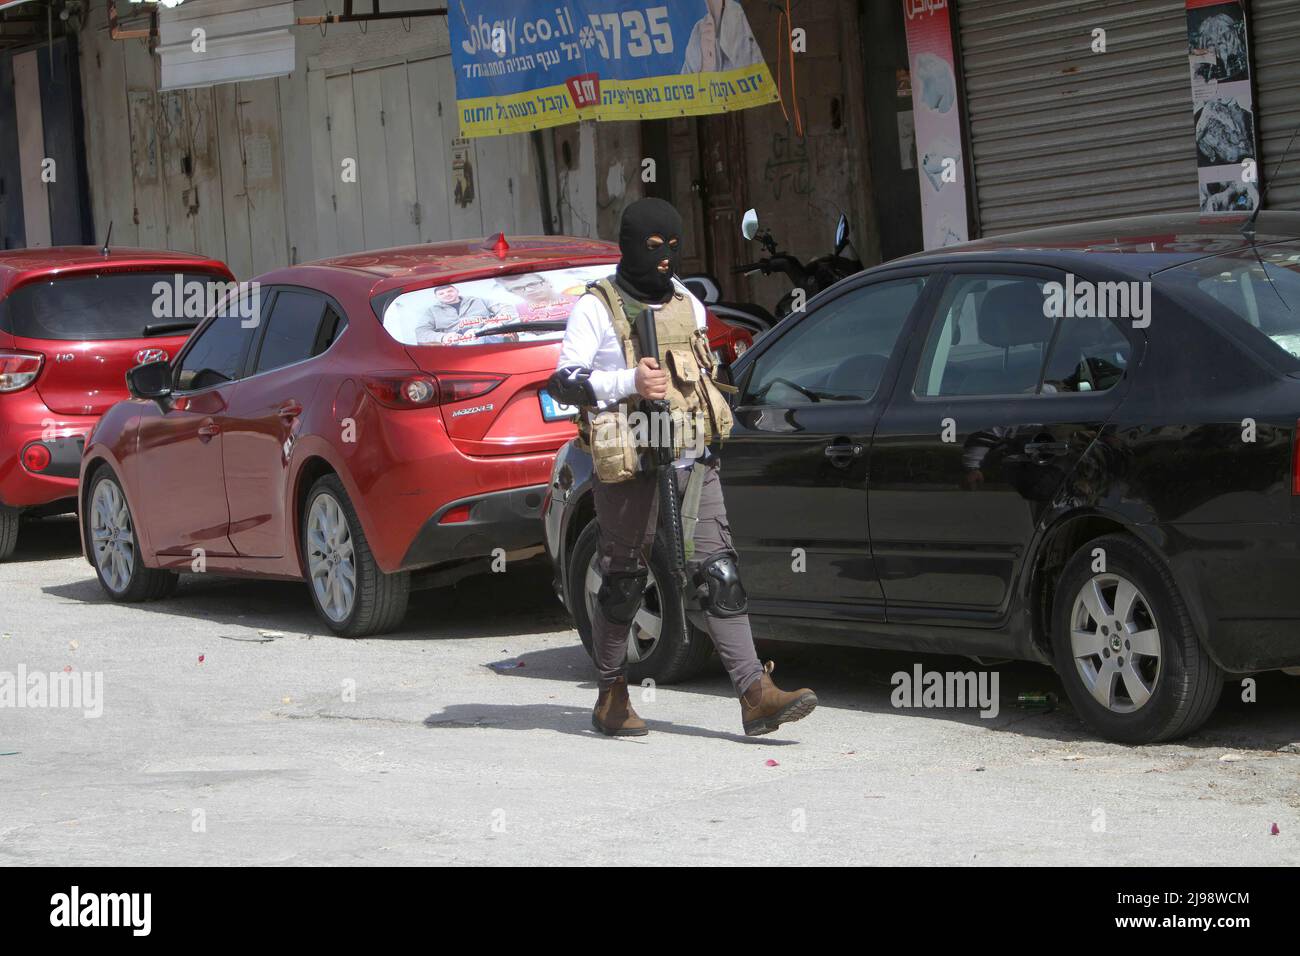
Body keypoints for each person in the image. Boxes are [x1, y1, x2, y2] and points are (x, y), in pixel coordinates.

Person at [549, 197, 818, 738]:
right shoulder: (596, 308)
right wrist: (627, 383)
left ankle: (754, 693)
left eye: (674, 247)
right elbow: (561, 384)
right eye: (653, 248)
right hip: (629, 458)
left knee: (718, 572)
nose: (666, 258)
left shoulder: (686, 303)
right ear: (629, 247)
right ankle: (611, 693)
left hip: (691, 456)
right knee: (624, 579)